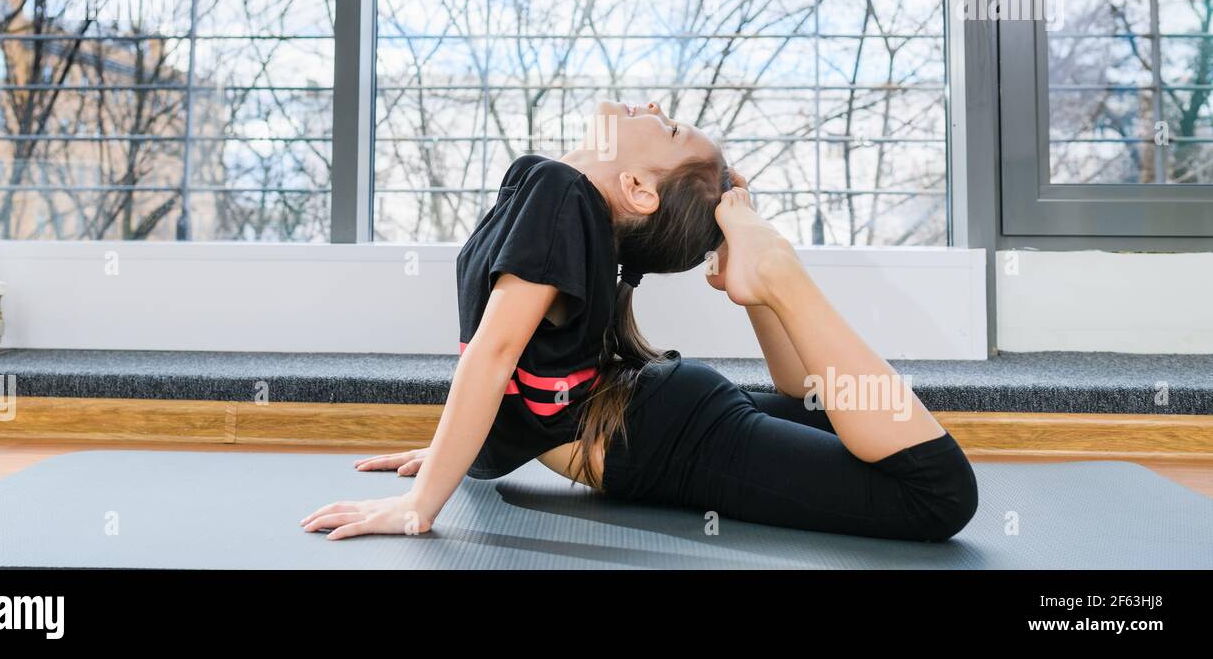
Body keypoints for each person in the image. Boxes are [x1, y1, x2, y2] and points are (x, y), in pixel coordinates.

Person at [301, 100, 979, 543]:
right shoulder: (545, 190)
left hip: (666, 431)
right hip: (659, 414)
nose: (655, 108)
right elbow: (510, 360)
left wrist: (424, 499)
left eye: (671, 126)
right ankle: (766, 277)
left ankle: (777, 276)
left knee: (937, 494)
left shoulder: (559, 190)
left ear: (636, 188)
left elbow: (496, 352)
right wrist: (458, 448)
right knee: (843, 415)